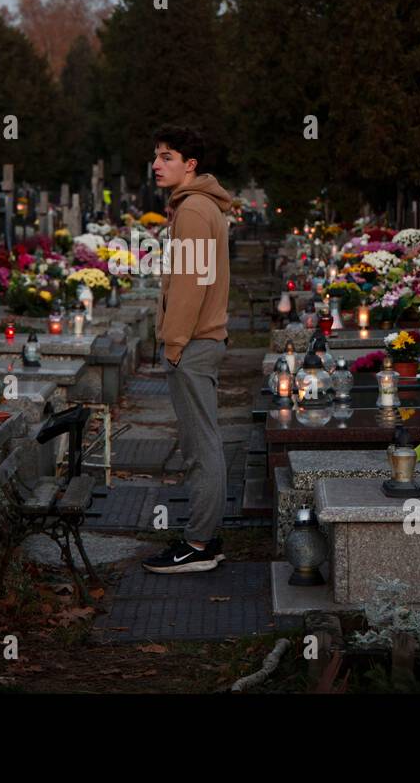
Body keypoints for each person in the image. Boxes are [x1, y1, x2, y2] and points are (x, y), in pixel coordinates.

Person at [142, 125, 232, 574]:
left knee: (201, 446)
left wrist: (174, 343)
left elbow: (190, 285)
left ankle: (198, 544)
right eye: (156, 156)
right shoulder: (196, 205)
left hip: (193, 343)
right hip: (199, 341)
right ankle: (205, 537)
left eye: (168, 156)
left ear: (190, 165)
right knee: (204, 441)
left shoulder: (194, 209)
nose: (157, 164)